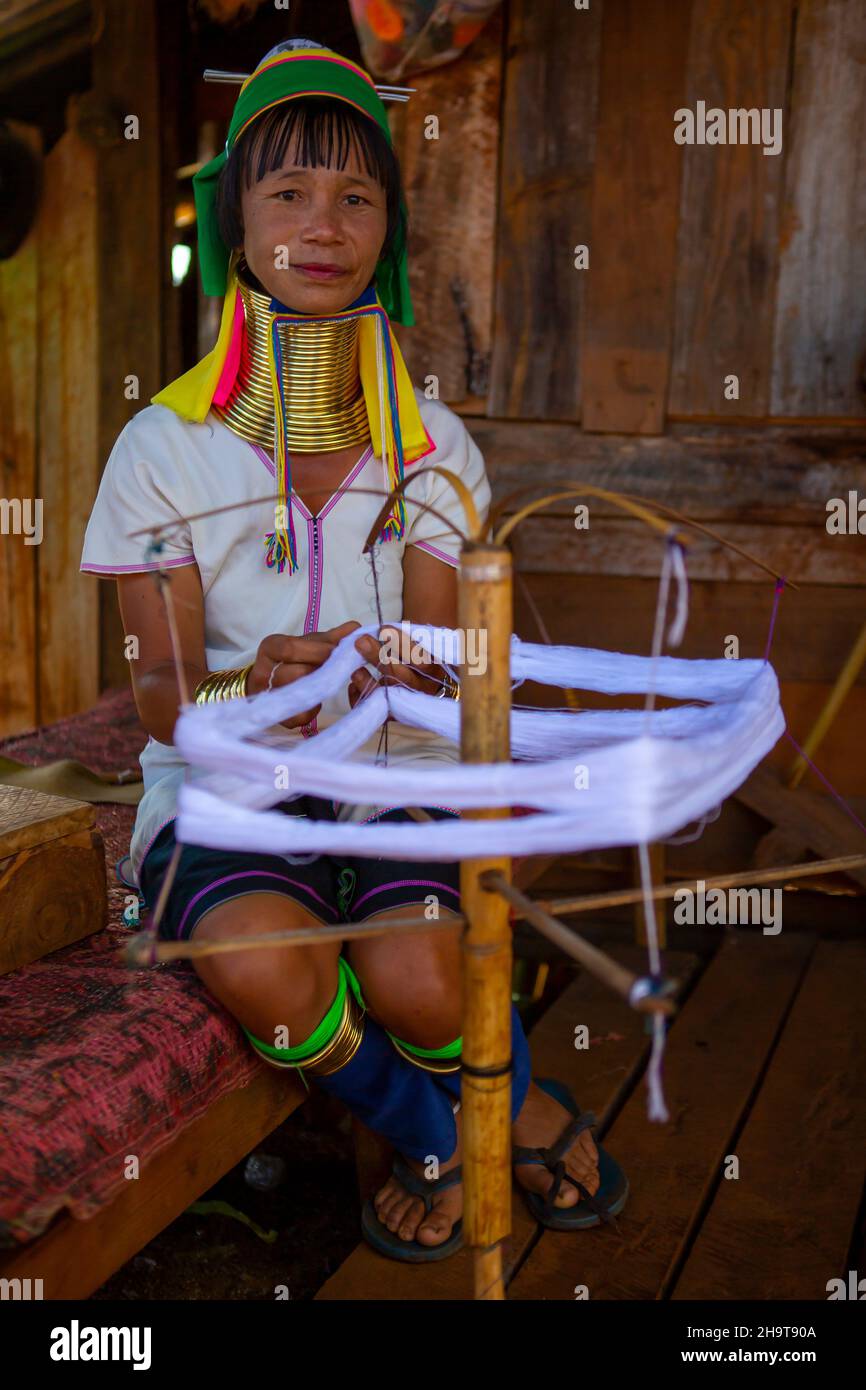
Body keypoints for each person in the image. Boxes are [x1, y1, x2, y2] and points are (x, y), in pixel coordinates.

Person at [80, 39, 625, 1262]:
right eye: (287, 193)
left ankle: (505, 1098)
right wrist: (255, 687)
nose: (323, 225)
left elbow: (442, 664)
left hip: (389, 785)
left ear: (387, 225)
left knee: (422, 982)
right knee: (258, 962)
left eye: (356, 195)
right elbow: (166, 700)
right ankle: (455, 1134)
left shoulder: (430, 446)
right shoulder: (161, 450)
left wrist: (402, 665)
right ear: (237, 225)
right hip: (230, 792)